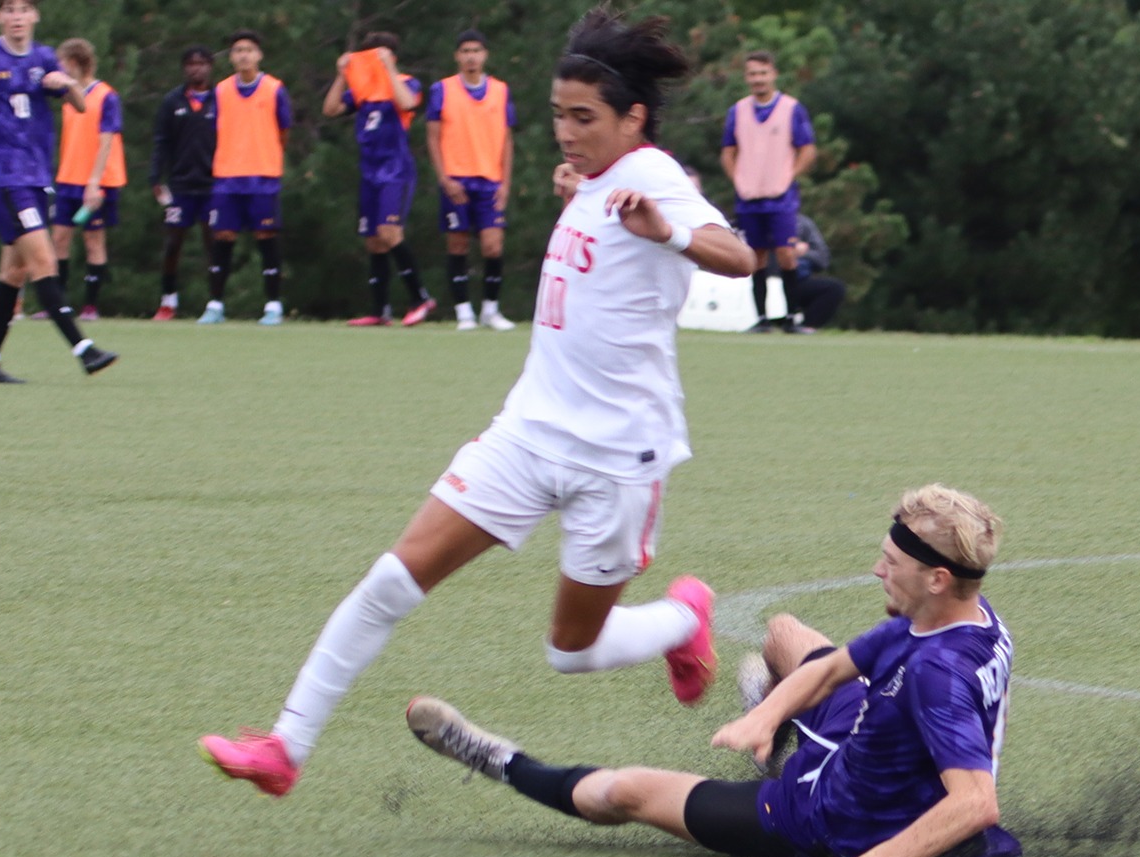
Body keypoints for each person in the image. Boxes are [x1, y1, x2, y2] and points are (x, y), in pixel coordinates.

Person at [200, 7, 758, 798]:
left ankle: (681, 619)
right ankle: (284, 747)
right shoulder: (596, 177)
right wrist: (585, 185)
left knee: (570, 651)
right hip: (527, 433)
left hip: (616, 459)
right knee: (394, 578)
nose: (565, 132)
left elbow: (740, 256)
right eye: (559, 115)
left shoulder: (655, 176)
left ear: (633, 117)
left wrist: (666, 230)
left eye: (584, 118)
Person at [406, 485, 1020, 857]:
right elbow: (835, 668)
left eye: (892, 563)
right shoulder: (966, 618)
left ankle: (500, 760)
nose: (876, 569)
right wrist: (763, 716)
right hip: (864, 741)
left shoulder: (939, 675)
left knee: (623, 792)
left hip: (826, 817)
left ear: (938, 578)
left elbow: (975, 803)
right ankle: (774, 733)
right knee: (784, 635)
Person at [0, 0, 115, 384]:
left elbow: (79, 106)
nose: (16, 17)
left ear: (35, 16)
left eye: (23, 9)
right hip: (2, 178)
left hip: (36, 177)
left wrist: (68, 85)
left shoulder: (44, 57)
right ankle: (84, 349)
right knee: (44, 263)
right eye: (8, 9)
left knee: (14, 271)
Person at [323, 32, 434, 328]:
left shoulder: (405, 82)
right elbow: (331, 109)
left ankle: (419, 298)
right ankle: (379, 310)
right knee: (373, 241)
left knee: (389, 232)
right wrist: (342, 75)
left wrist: (389, 68)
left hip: (395, 170)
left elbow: (408, 103)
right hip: (369, 171)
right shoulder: (362, 91)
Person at [426, 29, 516, 331]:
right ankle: (463, 311)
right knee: (458, 244)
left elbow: (506, 140)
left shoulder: (501, 90)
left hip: (489, 179)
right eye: (465, 51)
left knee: (493, 246)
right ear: (457, 56)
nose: (471, 56)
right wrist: (444, 178)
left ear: (485, 54)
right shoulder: (442, 89)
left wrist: (505, 183)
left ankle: (490, 309)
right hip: (457, 178)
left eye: (476, 50)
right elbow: (433, 136)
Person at [719, 50, 814, 334]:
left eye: (762, 73)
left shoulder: (790, 108)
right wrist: (738, 179)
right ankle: (761, 318)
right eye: (752, 74)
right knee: (755, 255)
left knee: (786, 252)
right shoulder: (738, 111)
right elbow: (727, 152)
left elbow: (807, 149)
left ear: (773, 74)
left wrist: (789, 176)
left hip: (780, 195)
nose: (758, 79)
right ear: (746, 77)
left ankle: (791, 316)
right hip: (749, 197)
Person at [198, 29, 288, 327]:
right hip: (227, 175)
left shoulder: (274, 89)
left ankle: (273, 304)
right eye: (237, 50)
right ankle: (215, 304)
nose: (243, 55)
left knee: (266, 238)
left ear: (259, 55)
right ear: (231, 57)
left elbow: (284, 130)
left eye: (249, 49)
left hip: (263, 174)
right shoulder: (221, 91)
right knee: (222, 237)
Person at [48, 37, 124, 321]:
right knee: (59, 238)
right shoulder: (68, 96)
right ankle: (58, 303)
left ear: (78, 63)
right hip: (69, 176)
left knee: (94, 240)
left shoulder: (106, 96)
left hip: (98, 179)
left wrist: (95, 182)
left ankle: (91, 306)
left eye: (65, 63)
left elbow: (106, 141)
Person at [148, 46, 215, 321]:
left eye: (200, 63)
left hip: (213, 184)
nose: (195, 68)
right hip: (180, 185)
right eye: (190, 64)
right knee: (173, 243)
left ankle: (215, 303)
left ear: (210, 66)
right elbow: (161, 143)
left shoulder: (221, 99)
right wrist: (156, 178)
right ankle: (168, 300)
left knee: (214, 245)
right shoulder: (172, 101)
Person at [782, 211, 844, 330]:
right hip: (764, 280)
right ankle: (764, 323)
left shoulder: (802, 223)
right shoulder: (755, 220)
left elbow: (822, 258)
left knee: (834, 288)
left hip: (796, 280)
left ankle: (806, 328)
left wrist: (802, 253)